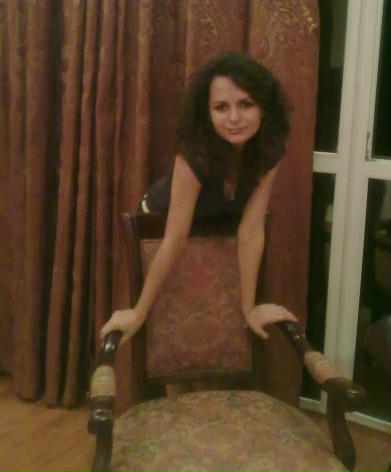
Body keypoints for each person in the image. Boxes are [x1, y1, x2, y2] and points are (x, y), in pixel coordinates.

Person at [100, 51, 298, 346]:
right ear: (207, 114)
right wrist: (139, 313)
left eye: (246, 104)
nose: (234, 118)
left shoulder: (270, 151)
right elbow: (174, 238)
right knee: (170, 315)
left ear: (264, 108)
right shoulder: (194, 155)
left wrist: (249, 309)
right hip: (161, 222)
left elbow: (251, 228)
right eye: (221, 107)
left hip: (215, 221)